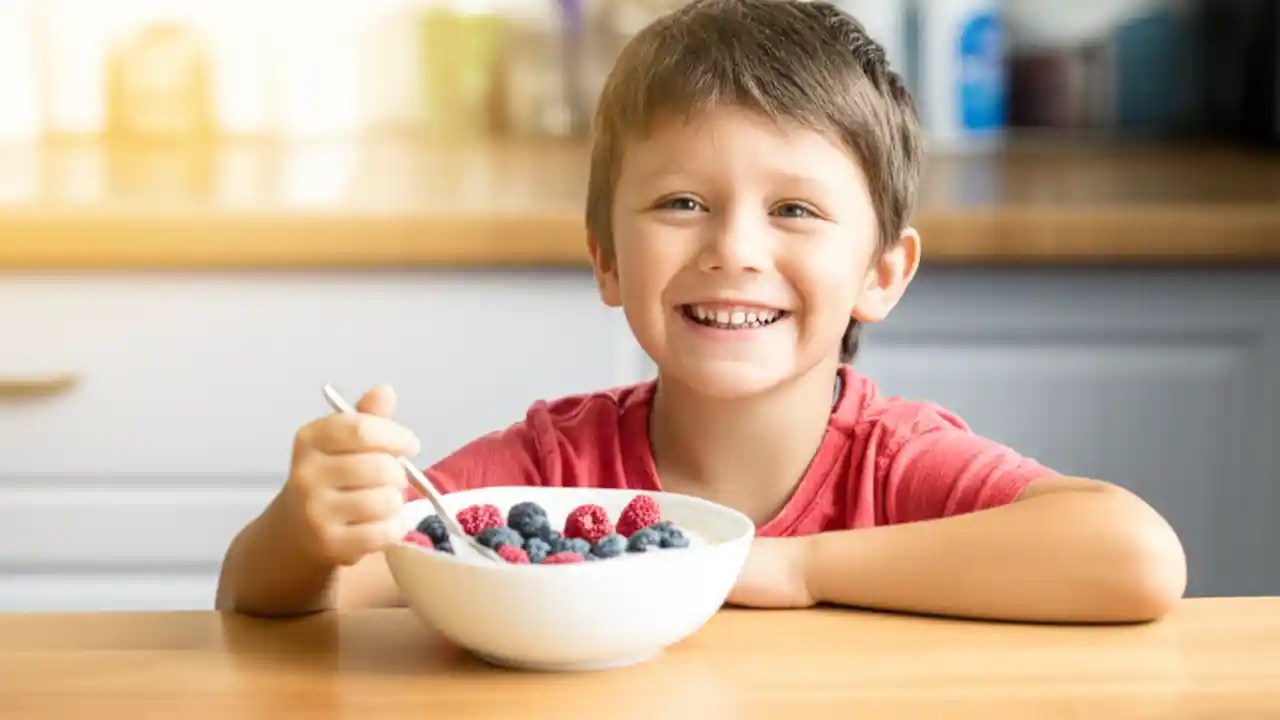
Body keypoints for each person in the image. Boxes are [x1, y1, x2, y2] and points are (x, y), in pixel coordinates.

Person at [217, 0, 1186, 622]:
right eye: (681, 203)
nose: (733, 248)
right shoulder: (554, 475)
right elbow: (301, 598)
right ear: (605, 255)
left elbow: (1134, 559)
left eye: (794, 211)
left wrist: (792, 569)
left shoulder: (894, 466)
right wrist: (303, 535)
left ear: (880, 274)